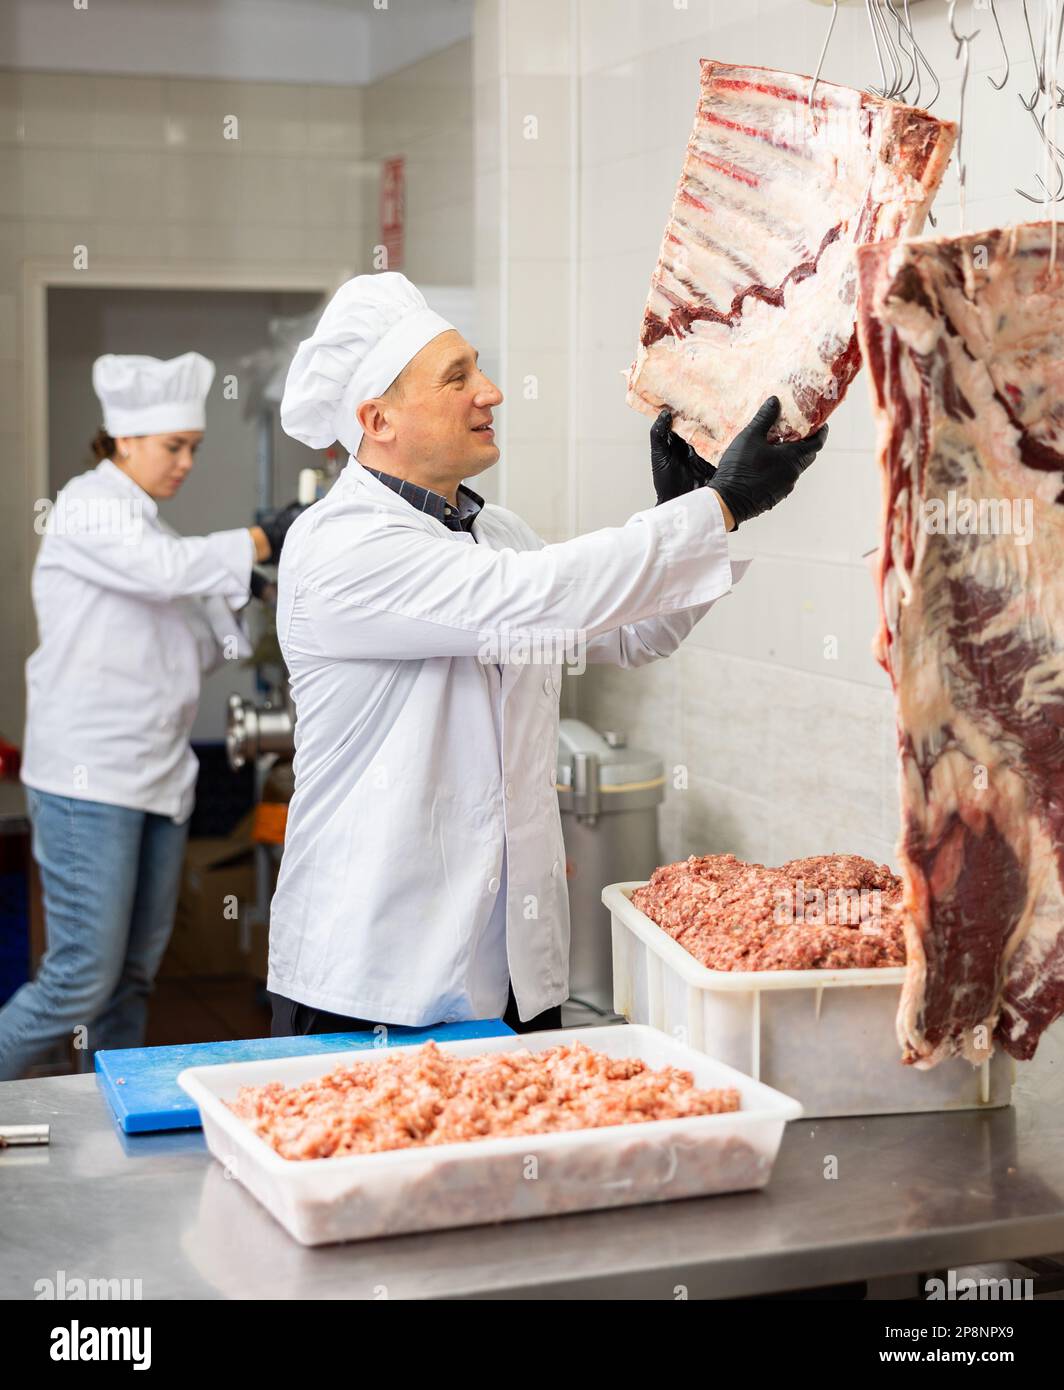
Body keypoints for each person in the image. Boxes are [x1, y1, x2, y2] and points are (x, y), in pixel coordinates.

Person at [267, 272, 826, 1039]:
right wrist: (714, 507)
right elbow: (529, 598)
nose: (491, 392)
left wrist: (691, 517)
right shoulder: (339, 548)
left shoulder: (496, 533)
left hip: (513, 971)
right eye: (458, 377)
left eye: (481, 368)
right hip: (374, 978)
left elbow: (633, 634)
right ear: (378, 418)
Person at [0, 352, 303, 1080]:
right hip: (89, 780)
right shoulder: (88, 508)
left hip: (159, 777)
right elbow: (172, 575)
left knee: (133, 978)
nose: (188, 463)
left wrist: (260, 589)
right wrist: (265, 535)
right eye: (176, 447)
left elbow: (194, 639)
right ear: (124, 440)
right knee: (79, 978)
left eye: (194, 448)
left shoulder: (151, 532)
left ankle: (104, 1125)